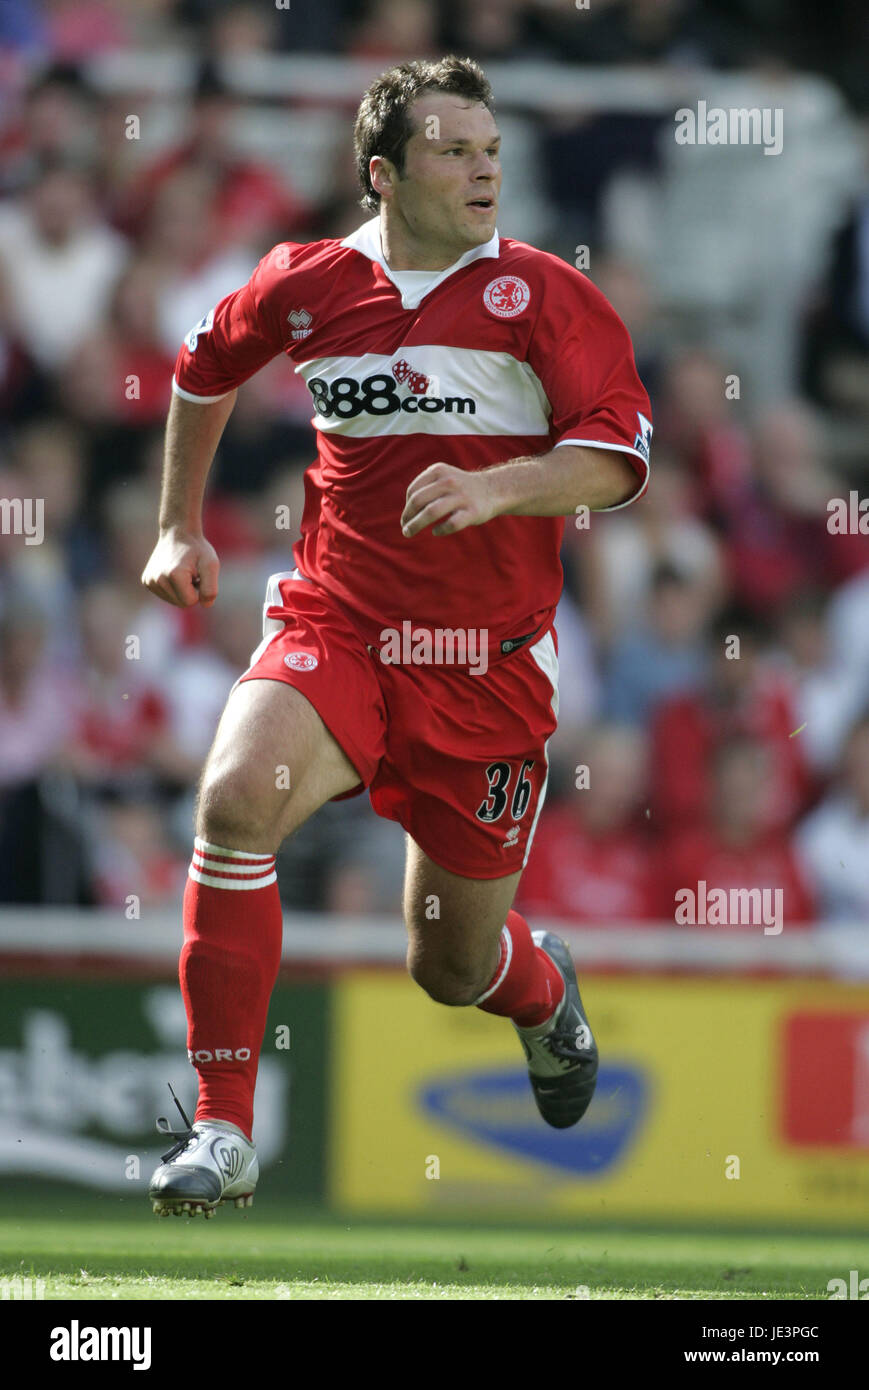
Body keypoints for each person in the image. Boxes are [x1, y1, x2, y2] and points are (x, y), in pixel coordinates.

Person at [141, 56, 652, 1218]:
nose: (484, 171)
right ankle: (222, 1128)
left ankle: (540, 994)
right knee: (231, 801)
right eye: (454, 151)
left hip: (485, 667)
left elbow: (616, 461)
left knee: (448, 965)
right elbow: (200, 365)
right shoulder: (307, 282)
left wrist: (504, 486)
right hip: (343, 625)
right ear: (383, 173)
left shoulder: (546, 296)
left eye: (491, 150)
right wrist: (176, 527)